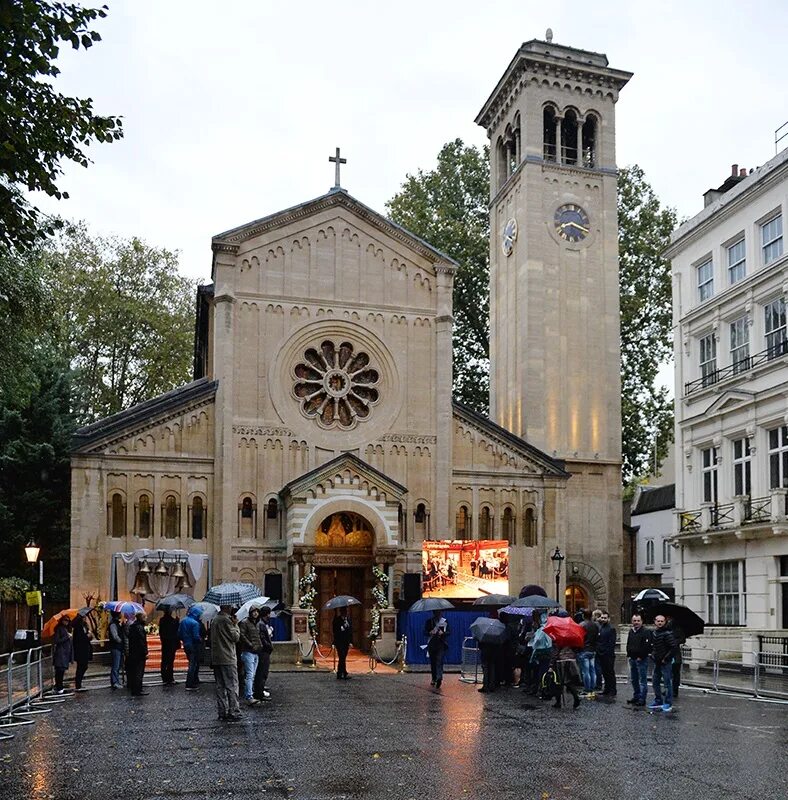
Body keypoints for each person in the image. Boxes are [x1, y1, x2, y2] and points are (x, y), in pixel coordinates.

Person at [211, 605, 242, 720]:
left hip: (216, 657)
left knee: (220, 686)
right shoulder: (226, 620)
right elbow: (235, 637)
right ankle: (234, 711)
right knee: (232, 685)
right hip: (228, 657)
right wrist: (236, 624)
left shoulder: (215, 620)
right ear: (227, 607)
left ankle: (222, 711)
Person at [649, 614, 676, 712]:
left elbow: (673, 647)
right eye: (658, 621)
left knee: (667, 683)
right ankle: (658, 700)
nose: (660, 623)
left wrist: (666, 658)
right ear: (655, 622)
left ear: (665, 622)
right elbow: (654, 646)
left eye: (662, 621)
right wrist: (652, 654)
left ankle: (668, 702)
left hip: (665, 662)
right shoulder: (654, 633)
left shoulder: (668, 633)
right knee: (655, 682)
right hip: (657, 661)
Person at [626, 613, 652, 706]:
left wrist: (641, 656)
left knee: (642, 680)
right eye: (634, 621)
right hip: (632, 658)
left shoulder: (646, 631)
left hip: (641, 659)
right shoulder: (631, 631)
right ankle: (636, 696)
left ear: (641, 621)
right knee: (634, 679)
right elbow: (629, 643)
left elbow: (647, 646)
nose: (636, 622)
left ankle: (642, 699)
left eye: (638, 621)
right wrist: (629, 654)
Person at [239, 607, 263, 706]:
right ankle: (249, 696)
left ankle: (250, 693)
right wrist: (250, 644)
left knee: (252, 675)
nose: (255, 613)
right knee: (249, 674)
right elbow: (242, 635)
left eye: (257, 611)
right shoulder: (245, 622)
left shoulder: (257, 623)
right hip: (248, 651)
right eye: (254, 612)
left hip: (256, 651)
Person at [178, 605, 204, 691]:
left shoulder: (183, 621)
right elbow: (196, 637)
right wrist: (201, 640)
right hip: (193, 645)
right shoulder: (195, 623)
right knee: (193, 664)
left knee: (191, 663)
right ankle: (190, 683)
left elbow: (179, 634)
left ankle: (191, 681)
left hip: (186, 644)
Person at [550, 642, 582, 709]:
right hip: (571, 661)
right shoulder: (571, 639)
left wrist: (551, 665)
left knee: (558, 682)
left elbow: (555, 653)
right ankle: (576, 698)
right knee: (569, 682)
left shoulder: (558, 639)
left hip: (560, 662)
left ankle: (558, 702)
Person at [424, 608, 449, 689]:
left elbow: (449, 631)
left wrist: (443, 633)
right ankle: (434, 678)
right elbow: (424, 632)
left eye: (440, 612)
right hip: (432, 644)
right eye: (436, 612)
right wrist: (430, 632)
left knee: (439, 661)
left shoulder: (444, 621)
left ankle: (439, 678)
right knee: (433, 662)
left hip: (441, 644)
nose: (438, 614)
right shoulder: (429, 622)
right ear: (434, 613)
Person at [126, 611, 149, 696]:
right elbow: (142, 641)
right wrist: (145, 652)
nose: (146, 618)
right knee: (139, 672)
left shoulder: (133, 627)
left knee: (135, 671)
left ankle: (135, 688)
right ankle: (137, 689)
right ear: (141, 618)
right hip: (139, 654)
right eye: (145, 617)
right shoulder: (139, 627)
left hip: (133, 653)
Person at [577, 608, 598, 699]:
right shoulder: (595, 625)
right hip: (592, 649)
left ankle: (587, 689)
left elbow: (579, 638)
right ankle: (592, 688)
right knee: (592, 670)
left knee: (585, 671)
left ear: (583, 615)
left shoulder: (581, 625)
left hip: (584, 649)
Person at [254, 607, 274, 702]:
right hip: (263, 652)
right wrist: (269, 647)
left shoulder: (261, 623)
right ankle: (259, 693)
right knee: (262, 672)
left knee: (262, 672)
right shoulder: (261, 624)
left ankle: (260, 690)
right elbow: (263, 639)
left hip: (263, 651)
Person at [596, 610, 617, 697]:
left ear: (608, 619)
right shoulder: (600, 627)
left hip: (608, 655)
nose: (603, 619)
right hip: (601, 654)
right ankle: (607, 689)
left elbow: (611, 643)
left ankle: (613, 689)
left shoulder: (611, 629)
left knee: (610, 673)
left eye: (605, 618)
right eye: (602, 617)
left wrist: (605, 652)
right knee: (604, 673)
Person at [158, 608, 180, 686]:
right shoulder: (173, 621)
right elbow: (176, 632)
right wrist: (177, 622)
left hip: (165, 643)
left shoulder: (162, 620)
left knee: (164, 661)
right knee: (170, 662)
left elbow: (161, 632)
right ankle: (170, 678)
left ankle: (164, 678)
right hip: (171, 643)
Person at [72, 614, 93, 692]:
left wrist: (89, 636)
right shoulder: (78, 628)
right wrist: (87, 636)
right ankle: (78, 685)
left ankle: (79, 684)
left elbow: (88, 637)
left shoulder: (85, 626)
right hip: (80, 650)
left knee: (84, 666)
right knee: (81, 667)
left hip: (85, 649)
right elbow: (80, 639)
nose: (85, 619)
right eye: (84, 617)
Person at [52, 617, 73, 694]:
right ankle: (59, 687)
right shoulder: (59, 629)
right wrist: (67, 637)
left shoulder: (65, 629)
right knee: (59, 671)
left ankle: (60, 687)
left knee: (61, 671)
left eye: (68, 620)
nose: (67, 622)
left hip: (65, 653)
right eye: (65, 620)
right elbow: (57, 640)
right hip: (61, 653)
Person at [667, 618, 686, 698]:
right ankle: (669, 689)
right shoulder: (666, 627)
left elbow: (682, 639)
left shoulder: (677, 626)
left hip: (675, 654)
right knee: (668, 673)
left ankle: (675, 690)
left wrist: (674, 641)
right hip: (667, 653)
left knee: (675, 673)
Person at [333, 607, 353, 680]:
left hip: (346, 642)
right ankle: (341, 673)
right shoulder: (337, 620)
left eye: (346, 611)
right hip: (339, 641)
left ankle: (342, 672)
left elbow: (350, 632)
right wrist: (341, 628)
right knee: (342, 657)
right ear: (341, 612)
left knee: (343, 657)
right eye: (344, 611)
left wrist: (351, 641)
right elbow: (335, 631)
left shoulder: (348, 620)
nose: (345, 613)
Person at [108, 610, 125, 690]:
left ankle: (116, 681)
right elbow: (115, 636)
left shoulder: (117, 623)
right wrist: (120, 641)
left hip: (118, 647)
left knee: (117, 665)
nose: (121, 614)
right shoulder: (113, 624)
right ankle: (115, 682)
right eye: (120, 613)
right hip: (116, 647)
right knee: (116, 665)